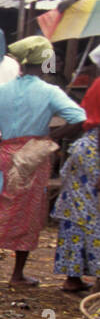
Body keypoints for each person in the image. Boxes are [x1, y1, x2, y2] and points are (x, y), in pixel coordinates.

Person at [0, 35, 87, 287]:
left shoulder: (1, 90)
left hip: (4, 153)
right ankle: (17, 274)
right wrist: (51, 136)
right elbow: (78, 118)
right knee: (28, 213)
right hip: (34, 157)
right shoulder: (50, 92)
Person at [51, 51, 100, 293]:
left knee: (78, 212)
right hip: (95, 152)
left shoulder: (96, 85)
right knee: (91, 214)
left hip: (86, 149)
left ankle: (73, 275)